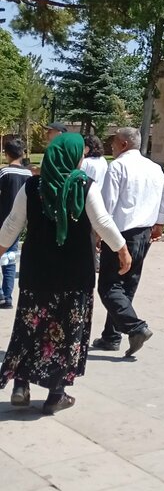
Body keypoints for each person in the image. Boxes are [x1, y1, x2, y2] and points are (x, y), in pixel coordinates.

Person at [0, 133, 130, 413]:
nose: (82, 159)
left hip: (37, 273)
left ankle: (21, 384)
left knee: (29, 328)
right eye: (80, 154)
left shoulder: (32, 186)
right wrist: (122, 250)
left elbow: (12, 225)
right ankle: (55, 394)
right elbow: (103, 223)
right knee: (66, 333)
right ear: (72, 157)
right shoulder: (84, 187)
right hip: (74, 276)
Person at [92, 127, 164, 357]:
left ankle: (136, 328)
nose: (111, 146)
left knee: (109, 287)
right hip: (143, 235)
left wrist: (100, 232)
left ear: (124, 144)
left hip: (120, 235)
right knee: (126, 286)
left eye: (114, 142)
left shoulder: (117, 166)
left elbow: (107, 204)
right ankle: (111, 336)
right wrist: (160, 222)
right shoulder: (154, 167)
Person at [0, 138, 32, 309]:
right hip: (20, 222)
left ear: (6, 153)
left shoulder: (4, 173)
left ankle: (0, 294)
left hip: (2, 221)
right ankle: (8, 295)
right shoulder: (28, 175)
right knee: (10, 258)